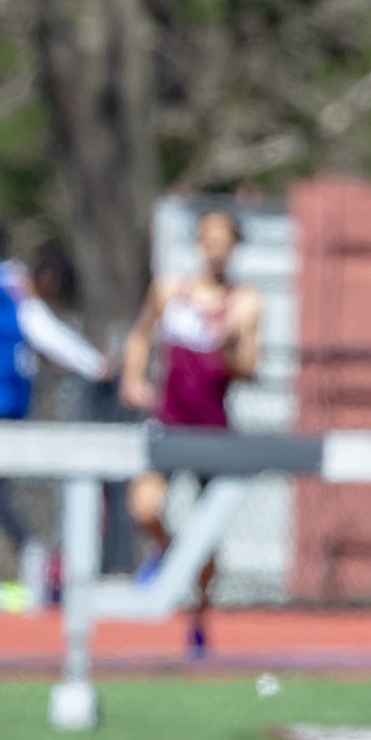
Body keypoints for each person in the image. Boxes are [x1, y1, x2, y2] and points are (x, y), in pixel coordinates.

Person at [0, 219, 107, 596]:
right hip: (11, 398)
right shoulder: (10, 283)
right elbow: (44, 332)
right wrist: (94, 364)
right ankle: (19, 555)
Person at [120, 209, 260, 653]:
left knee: (206, 534)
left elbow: (249, 369)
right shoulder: (170, 292)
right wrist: (133, 377)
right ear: (199, 243)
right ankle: (166, 552)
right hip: (169, 422)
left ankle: (198, 615)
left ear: (234, 248)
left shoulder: (244, 304)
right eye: (209, 241)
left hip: (213, 430)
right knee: (144, 506)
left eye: (225, 243)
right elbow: (140, 336)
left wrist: (230, 344)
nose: (216, 250)